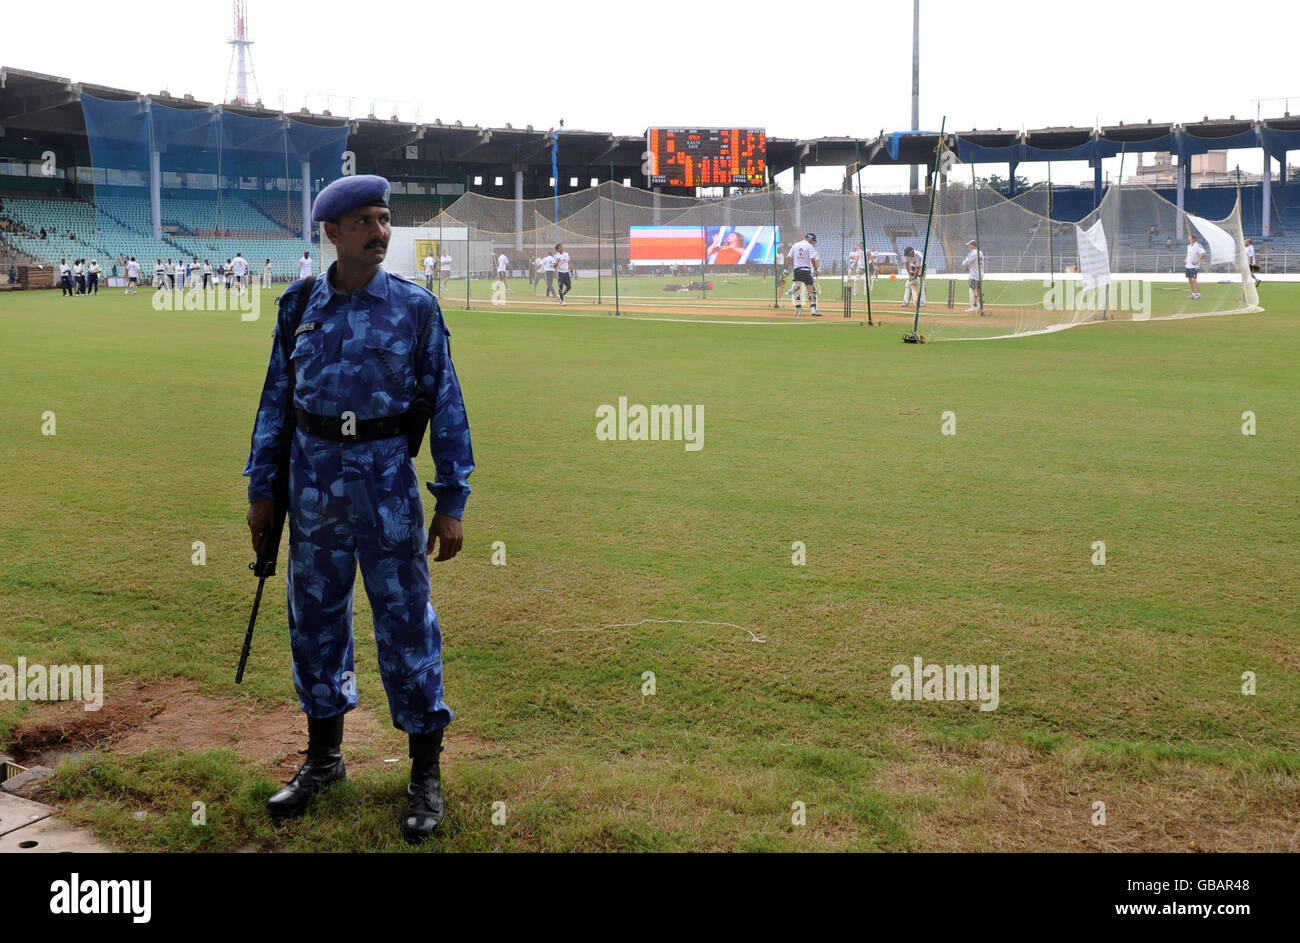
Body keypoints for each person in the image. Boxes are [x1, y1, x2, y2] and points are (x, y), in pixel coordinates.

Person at [244, 175, 474, 844]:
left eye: (384, 218)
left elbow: (448, 406)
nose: (380, 231)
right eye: (366, 221)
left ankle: (425, 772)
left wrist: (451, 500)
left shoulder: (415, 309)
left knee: (406, 624)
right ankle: (324, 758)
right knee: (314, 623)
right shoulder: (297, 308)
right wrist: (263, 489)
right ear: (332, 233)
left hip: (387, 488)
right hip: (311, 486)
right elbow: (274, 404)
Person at [788, 233, 820, 316]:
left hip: (797, 271)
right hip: (806, 270)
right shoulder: (809, 246)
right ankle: (813, 309)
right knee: (811, 291)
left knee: (797, 291)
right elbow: (813, 259)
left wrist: (786, 268)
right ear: (811, 239)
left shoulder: (795, 245)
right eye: (813, 240)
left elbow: (788, 257)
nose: (813, 242)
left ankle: (798, 310)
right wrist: (815, 268)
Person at [958, 239, 986, 314]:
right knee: (978, 290)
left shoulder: (973, 253)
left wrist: (965, 263)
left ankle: (974, 307)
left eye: (970, 245)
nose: (969, 246)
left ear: (973, 245)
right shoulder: (980, 252)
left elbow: (965, 262)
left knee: (972, 291)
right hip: (980, 274)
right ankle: (980, 307)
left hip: (974, 275)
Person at [1185, 232, 1206, 300]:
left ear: (1194, 239)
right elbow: (1188, 254)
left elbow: (1203, 253)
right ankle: (1193, 294)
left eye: (1190, 239)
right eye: (1189, 239)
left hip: (1194, 266)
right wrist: (1186, 258)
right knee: (1190, 280)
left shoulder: (1198, 245)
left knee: (1193, 280)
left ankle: (1199, 294)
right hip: (1188, 266)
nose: (1189, 240)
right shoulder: (1189, 246)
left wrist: (1197, 260)